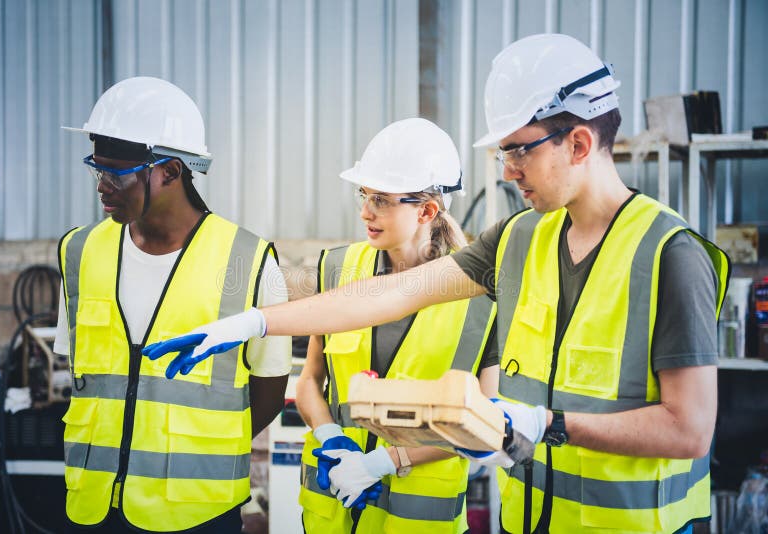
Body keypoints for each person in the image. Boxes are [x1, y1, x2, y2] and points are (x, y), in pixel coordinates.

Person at [144, 34, 730, 533]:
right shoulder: (520, 239)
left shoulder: (669, 255)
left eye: (519, 151)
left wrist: (545, 425)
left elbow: (689, 430)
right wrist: (258, 320)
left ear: (578, 143)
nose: (506, 171)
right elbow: (390, 293)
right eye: (502, 154)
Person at [55, 76, 291, 533]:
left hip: (197, 510)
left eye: (117, 172)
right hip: (94, 505)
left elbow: (268, 393)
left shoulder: (248, 260)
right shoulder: (79, 253)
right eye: (96, 168)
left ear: (170, 171)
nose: (102, 185)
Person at [295, 118, 499, 533]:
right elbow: (309, 382)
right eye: (364, 195)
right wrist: (331, 436)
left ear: (427, 210)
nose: (365, 212)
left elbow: (486, 423)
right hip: (331, 516)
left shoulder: (482, 295)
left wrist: (385, 461)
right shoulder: (337, 267)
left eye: (382, 200)